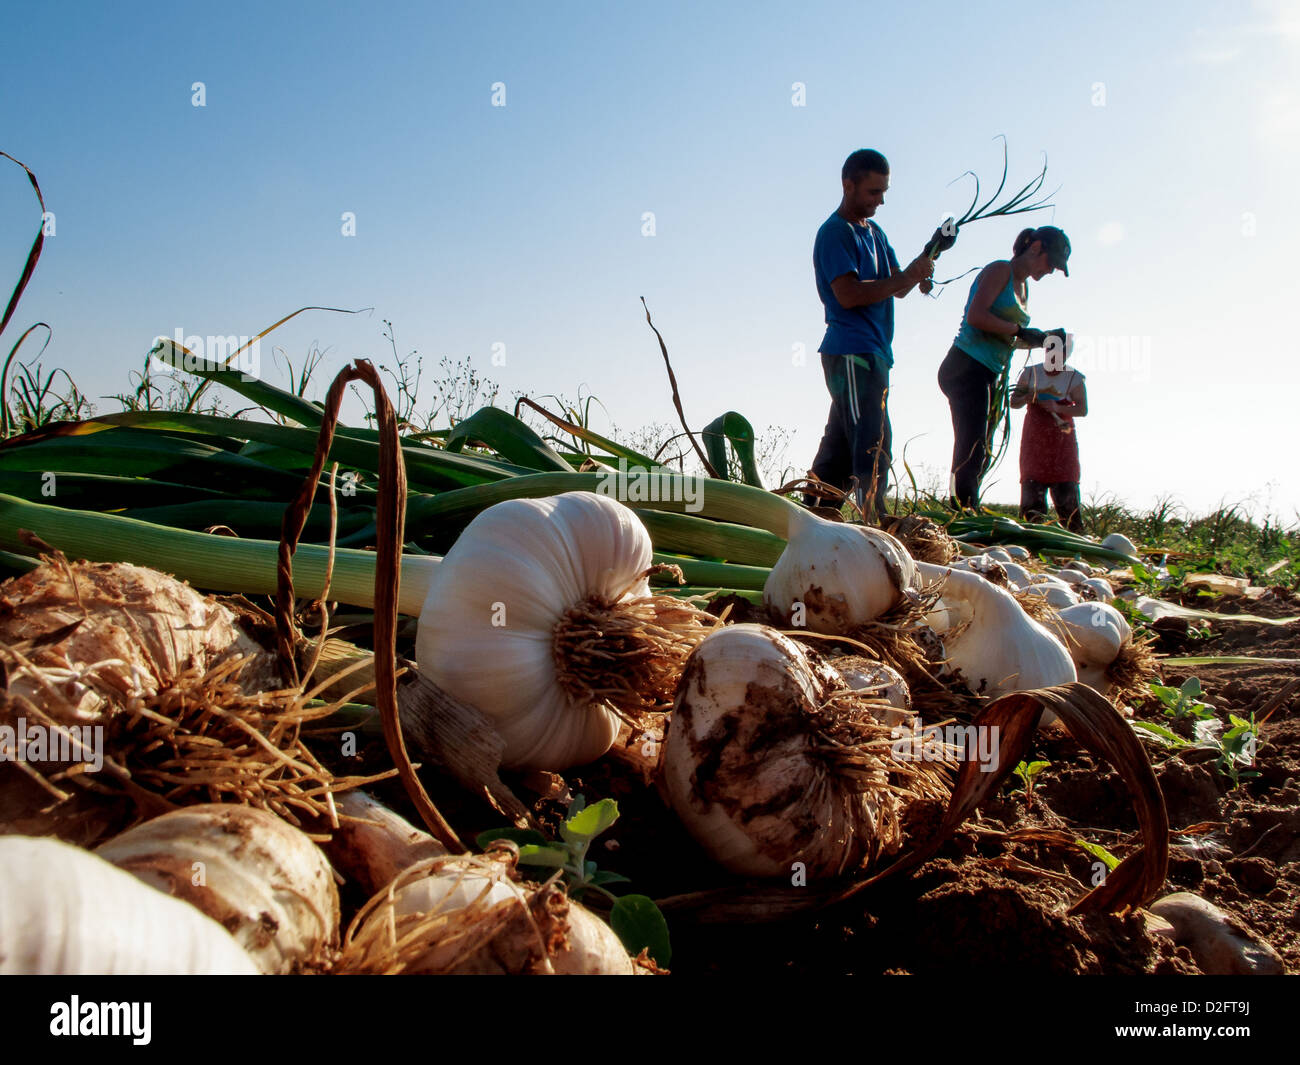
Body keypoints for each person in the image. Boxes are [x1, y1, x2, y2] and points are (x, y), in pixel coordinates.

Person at [807, 149, 934, 523]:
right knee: (873, 440)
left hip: (874, 351)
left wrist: (921, 267)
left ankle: (814, 518)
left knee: (841, 447)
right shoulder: (836, 233)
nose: (881, 201)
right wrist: (906, 277)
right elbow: (848, 295)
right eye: (874, 192)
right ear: (849, 185)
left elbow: (898, 286)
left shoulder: (875, 233)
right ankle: (875, 520)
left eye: (884, 192)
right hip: (851, 352)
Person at [936, 225, 1071, 512]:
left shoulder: (1025, 288)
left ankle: (964, 505)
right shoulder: (1000, 271)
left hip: (988, 371)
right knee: (973, 444)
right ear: (1035, 247)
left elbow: (1009, 336)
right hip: (965, 364)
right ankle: (963, 510)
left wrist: (1041, 339)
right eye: (1050, 263)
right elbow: (976, 316)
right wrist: (1020, 331)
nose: (1050, 271)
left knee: (982, 445)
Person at [1010, 339, 1088, 532]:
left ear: (1066, 354)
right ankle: (1033, 539)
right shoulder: (1030, 373)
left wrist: (1057, 407)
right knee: (1032, 501)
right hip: (1034, 443)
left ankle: (1073, 540)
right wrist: (1028, 397)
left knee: (1067, 501)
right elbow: (1014, 401)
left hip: (1062, 444)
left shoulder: (1075, 378)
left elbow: (1083, 409)